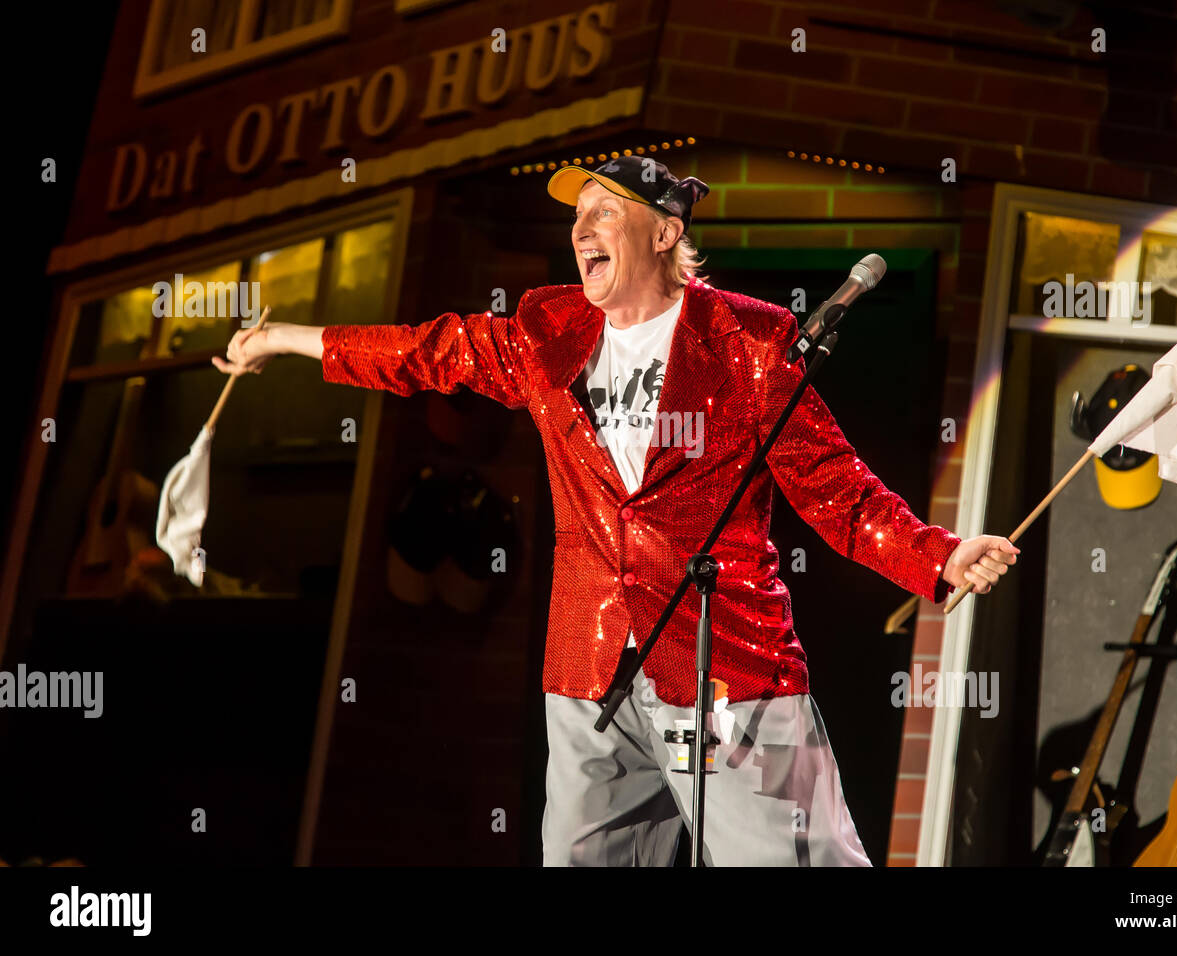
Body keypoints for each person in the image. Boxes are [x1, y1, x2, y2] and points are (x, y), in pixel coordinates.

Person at [216, 157, 1019, 866]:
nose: (582, 230)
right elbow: (431, 351)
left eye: (604, 211)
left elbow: (831, 486)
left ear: (666, 232)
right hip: (589, 675)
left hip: (728, 672)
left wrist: (936, 555)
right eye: (575, 217)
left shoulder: (750, 340)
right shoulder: (546, 329)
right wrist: (292, 339)